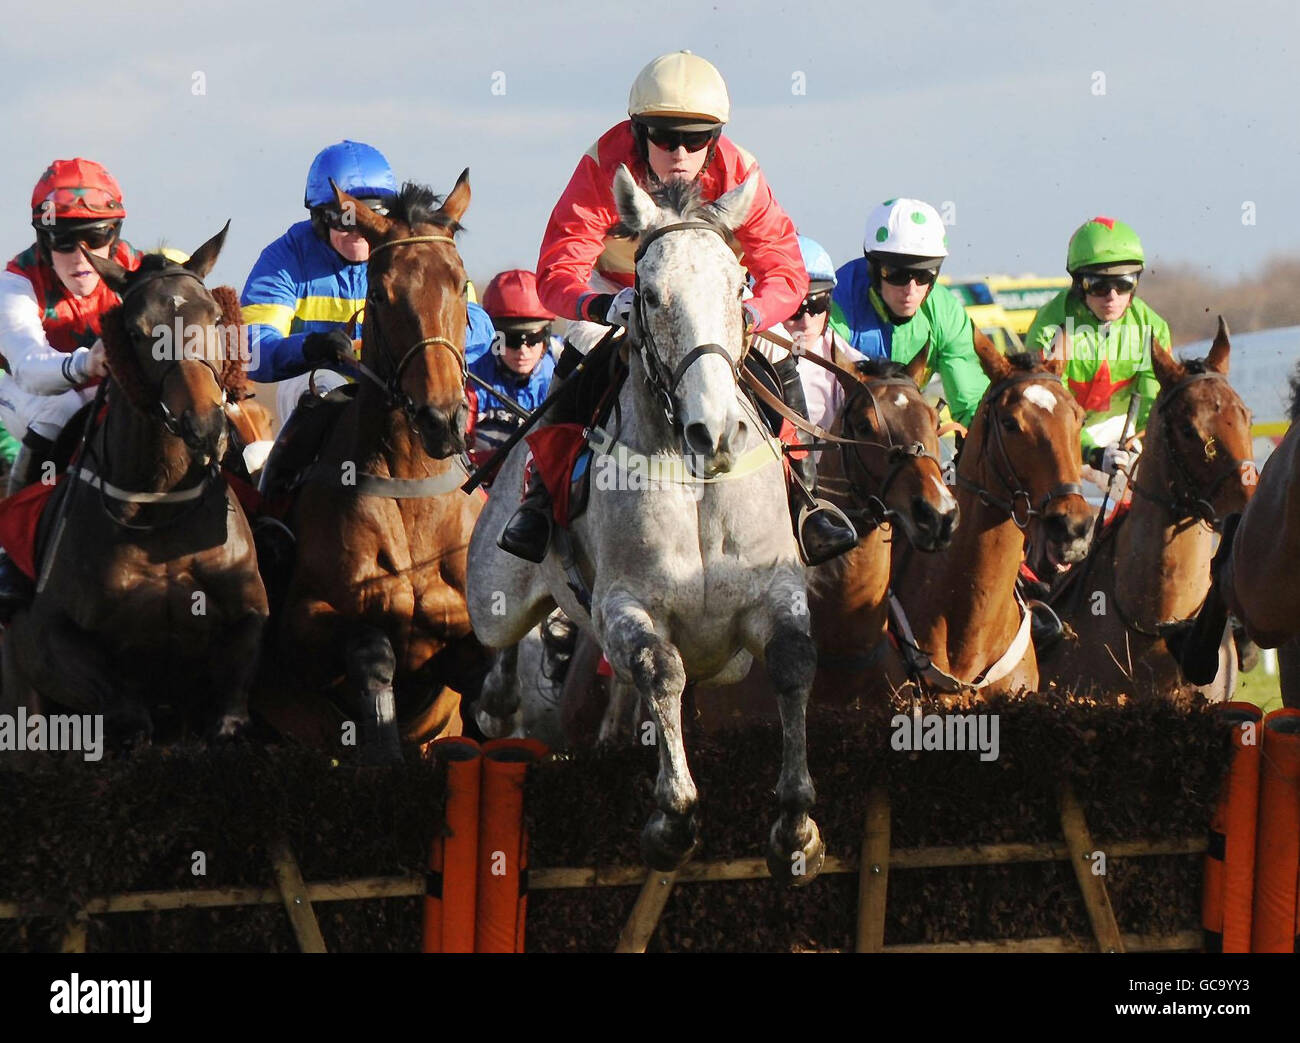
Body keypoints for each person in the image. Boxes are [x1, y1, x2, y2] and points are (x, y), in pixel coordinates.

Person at [498, 50, 858, 566]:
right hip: (619, 287)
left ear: (715, 139)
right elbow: (557, 271)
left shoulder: (739, 172)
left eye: (697, 139)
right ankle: (539, 497)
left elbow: (786, 272)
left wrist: (749, 314)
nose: (682, 152)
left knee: (779, 358)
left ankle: (803, 498)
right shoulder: (605, 165)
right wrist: (600, 306)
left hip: (708, 294)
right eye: (666, 138)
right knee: (580, 343)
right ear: (639, 131)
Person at [245, 140, 495, 498]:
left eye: (372, 216)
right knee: (320, 387)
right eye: (343, 220)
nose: (358, 231)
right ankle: (277, 505)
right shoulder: (285, 257)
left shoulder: (415, 250)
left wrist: (427, 339)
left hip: (401, 382)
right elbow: (251, 351)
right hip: (320, 379)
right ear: (319, 219)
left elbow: (482, 329)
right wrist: (313, 346)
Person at [0, 158, 142, 609]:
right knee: (62, 409)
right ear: (44, 240)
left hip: (94, 382)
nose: (81, 257)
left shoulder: (135, 268)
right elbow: (29, 364)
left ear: (114, 235)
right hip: (22, 389)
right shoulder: (16, 281)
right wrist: (87, 364)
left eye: (96, 237)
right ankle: (8, 552)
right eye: (63, 240)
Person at [1025, 216, 1166, 481]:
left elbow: (1152, 405)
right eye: (1099, 286)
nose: (1112, 296)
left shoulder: (1152, 328)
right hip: (1058, 437)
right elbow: (1049, 412)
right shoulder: (1050, 330)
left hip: (1124, 435)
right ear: (1080, 285)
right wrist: (1093, 453)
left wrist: (1147, 448)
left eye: (1124, 284)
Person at [829, 198, 990, 429]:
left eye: (924, 275)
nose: (910, 290)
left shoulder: (946, 314)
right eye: (896, 274)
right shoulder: (838, 303)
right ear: (874, 269)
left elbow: (972, 406)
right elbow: (818, 401)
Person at [469, 270, 556, 469]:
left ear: (546, 338)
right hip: (480, 486)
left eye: (533, 339)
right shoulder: (470, 375)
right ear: (495, 338)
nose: (523, 351)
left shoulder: (563, 367)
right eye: (512, 340)